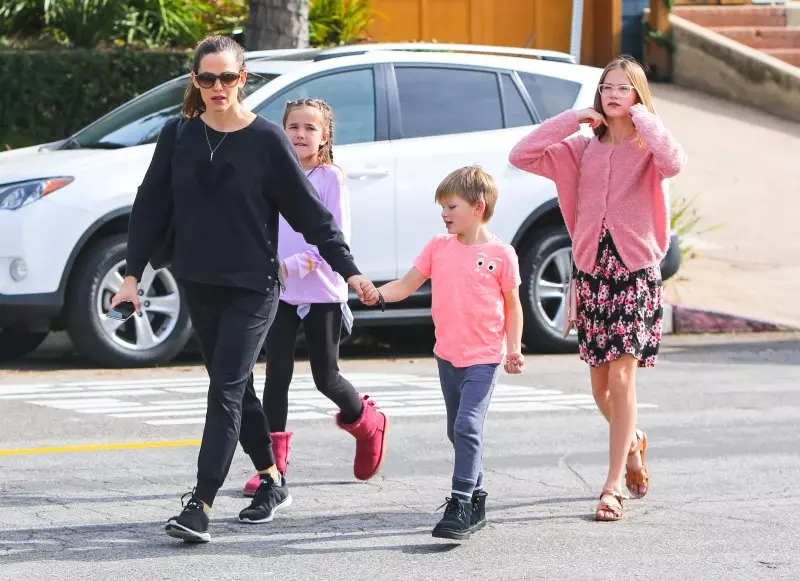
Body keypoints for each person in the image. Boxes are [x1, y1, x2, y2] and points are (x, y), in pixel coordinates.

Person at [110, 36, 377, 543]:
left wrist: (350, 271)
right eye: (207, 78)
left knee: (224, 389)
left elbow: (311, 216)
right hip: (198, 281)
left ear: (242, 79)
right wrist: (132, 275)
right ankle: (273, 480)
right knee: (239, 389)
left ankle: (200, 503)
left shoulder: (267, 140)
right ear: (195, 80)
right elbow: (150, 207)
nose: (217, 87)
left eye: (227, 77)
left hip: (255, 287)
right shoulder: (178, 135)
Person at [508, 55, 687, 521]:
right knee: (600, 388)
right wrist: (570, 120)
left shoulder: (649, 146)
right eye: (607, 87)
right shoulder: (580, 150)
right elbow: (521, 155)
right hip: (592, 272)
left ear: (637, 96)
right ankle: (633, 441)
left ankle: (611, 487)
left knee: (624, 377)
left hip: (635, 272)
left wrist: (644, 116)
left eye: (624, 89)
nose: (612, 95)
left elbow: (676, 162)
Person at [365, 166, 525, 541]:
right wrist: (375, 295)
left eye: (451, 206)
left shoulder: (502, 254)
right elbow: (407, 284)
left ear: (478, 206)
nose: (444, 214)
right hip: (447, 356)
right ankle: (478, 496)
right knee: (457, 431)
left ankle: (459, 503)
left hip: (483, 357)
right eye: (443, 207)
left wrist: (513, 349)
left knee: (468, 426)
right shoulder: (439, 246)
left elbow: (513, 306)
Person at [241, 98, 388, 497]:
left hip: (321, 290)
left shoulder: (330, 178)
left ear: (324, 136)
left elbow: (332, 239)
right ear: (282, 132)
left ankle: (368, 422)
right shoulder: (275, 173)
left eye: (310, 128)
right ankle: (273, 467)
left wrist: (290, 266)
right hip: (282, 291)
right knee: (277, 375)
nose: (301, 134)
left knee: (326, 377)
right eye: (293, 127)